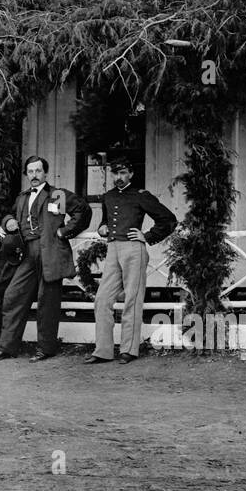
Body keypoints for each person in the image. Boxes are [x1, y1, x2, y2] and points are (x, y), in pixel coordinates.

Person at [0, 155, 90, 363]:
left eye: (38, 171)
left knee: (47, 302)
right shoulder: (22, 197)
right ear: (27, 174)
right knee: (13, 296)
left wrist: (65, 231)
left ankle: (46, 348)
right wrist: (8, 223)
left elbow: (82, 210)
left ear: (45, 173)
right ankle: (7, 347)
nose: (34, 175)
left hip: (50, 252)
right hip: (27, 254)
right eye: (30, 171)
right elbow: (7, 215)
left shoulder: (56, 195)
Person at [86, 151, 177, 366]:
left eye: (123, 173)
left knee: (132, 300)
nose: (119, 177)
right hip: (113, 250)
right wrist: (102, 228)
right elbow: (105, 222)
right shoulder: (108, 196)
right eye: (115, 173)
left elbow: (168, 220)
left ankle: (129, 349)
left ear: (131, 174)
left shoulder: (141, 195)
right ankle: (103, 351)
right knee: (102, 299)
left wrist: (147, 236)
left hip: (134, 250)